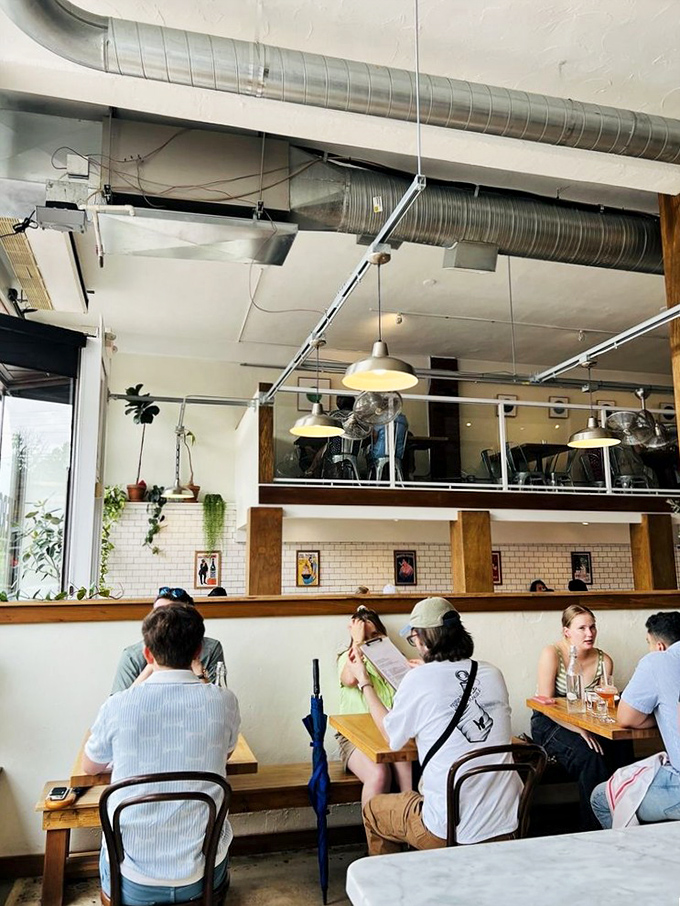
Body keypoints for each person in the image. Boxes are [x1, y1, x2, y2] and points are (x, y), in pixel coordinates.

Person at [83, 604, 240, 904]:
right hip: (202, 876)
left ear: (147, 655)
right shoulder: (225, 703)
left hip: (131, 880)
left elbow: (90, 766)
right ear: (198, 652)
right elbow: (227, 752)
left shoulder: (118, 706)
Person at [346, 597, 520, 853]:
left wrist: (365, 682)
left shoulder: (419, 679)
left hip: (446, 830)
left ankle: (393, 890)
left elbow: (390, 737)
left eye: (413, 638)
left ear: (423, 639)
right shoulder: (492, 673)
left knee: (374, 810)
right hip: (506, 825)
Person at [531, 603, 627, 830]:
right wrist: (579, 730)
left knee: (621, 750)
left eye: (593, 627)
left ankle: (625, 822)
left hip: (587, 721)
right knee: (589, 756)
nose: (589, 633)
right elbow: (546, 705)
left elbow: (605, 703)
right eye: (582, 628)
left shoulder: (604, 660)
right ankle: (595, 829)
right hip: (549, 721)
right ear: (566, 631)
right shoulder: (552, 653)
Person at [591, 611, 680, 828]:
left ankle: (632, 860)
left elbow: (625, 718)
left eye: (648, 643)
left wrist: (656, 714)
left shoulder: (658, 660)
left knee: (601, 798)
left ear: (659, 645)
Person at [336, 607, 412, 808]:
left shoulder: (394, 661)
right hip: (354, 738)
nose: (369, 641)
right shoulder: (349, 658)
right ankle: (376, 837)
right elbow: (350, 678)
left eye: (374, 635)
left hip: (389, 732)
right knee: (379, 775)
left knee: (406, 764)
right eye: (364, 636)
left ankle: (410, 823)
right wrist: (358, 643)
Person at [111, 587, 225, 692]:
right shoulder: (132, 655)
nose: (161, 622)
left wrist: (200, 674)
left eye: (171, 617)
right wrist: (153, 661)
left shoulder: (210, 648)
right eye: (156, 615)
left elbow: (217, 700)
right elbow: (117, 705)